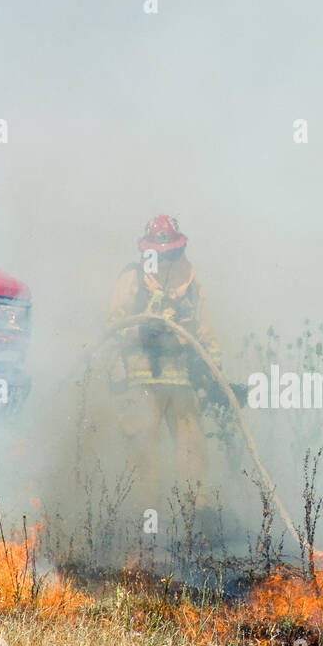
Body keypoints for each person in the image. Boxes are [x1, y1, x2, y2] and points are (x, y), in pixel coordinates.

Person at [107, 215, 219, 508]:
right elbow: (113, 325)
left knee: (193, 452)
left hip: (182, 386)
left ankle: (197, 521)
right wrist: (140, 329)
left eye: (171, 253)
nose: (167, 259)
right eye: (160, 254)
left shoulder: (192, 282)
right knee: (143, 454)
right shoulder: (134, 279)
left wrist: (213, 373)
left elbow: (206, 332)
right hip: (142, 384)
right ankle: (144, 528)